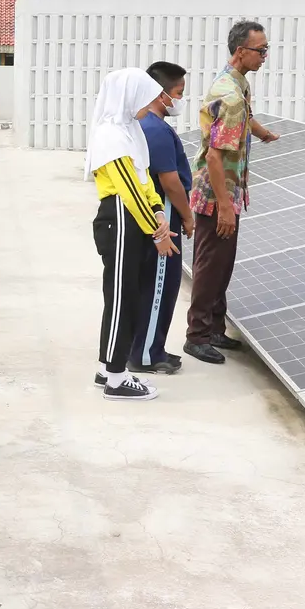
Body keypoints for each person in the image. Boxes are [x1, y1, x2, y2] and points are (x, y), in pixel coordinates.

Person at [184, 21, 279, 365]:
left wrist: (263, 133)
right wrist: (224, 207)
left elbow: (245, 119)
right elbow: (213, 155)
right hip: (216, 193)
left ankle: (214, 329)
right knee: (211, 264)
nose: (265, 56)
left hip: (228, 190)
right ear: (242, 52)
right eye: (261, 50)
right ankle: (196, 335)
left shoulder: (238, 86)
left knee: (222, 264)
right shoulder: (231, 95)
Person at [87, 68, 179, 401]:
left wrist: (158, 210)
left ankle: (106, 369)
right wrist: (159, 234)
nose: (152, 104)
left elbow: (144, 183)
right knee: (122, 298)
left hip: (134, 218)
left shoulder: (129, 131)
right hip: (122, 220)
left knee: (125, 296)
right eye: (147, 97)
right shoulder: (111, 135)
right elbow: (128, 190)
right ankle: (115, 377)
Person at [128, 62, 195, 375]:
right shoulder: (155, 129)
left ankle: (148, 347)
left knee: (151, 286)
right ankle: (145, 355)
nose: (180, 100)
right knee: (159, 286)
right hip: (164, 214)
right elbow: (169, 181)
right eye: (178, 93)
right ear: (161, 94)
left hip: (155, 216)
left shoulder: (142, 124)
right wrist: (188, 216)